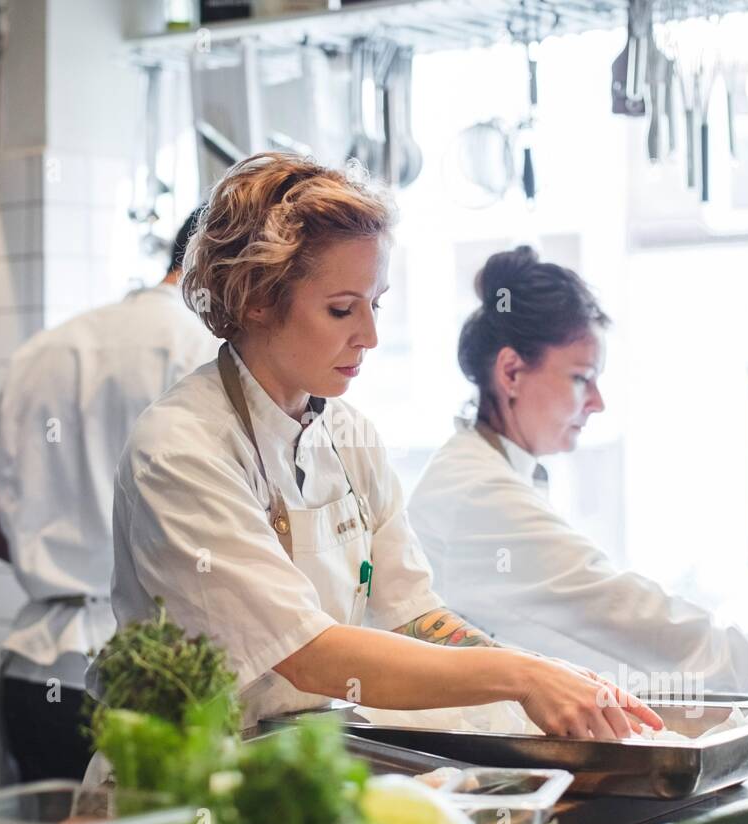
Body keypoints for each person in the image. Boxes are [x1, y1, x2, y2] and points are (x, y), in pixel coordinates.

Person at [99, 153, 663, 744]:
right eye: (342, 309)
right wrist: (520, 676)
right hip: (187, 784)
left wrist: (542, 675)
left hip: (307, 762)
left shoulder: (350, 435)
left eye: (376, 304)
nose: (369, 336)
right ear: (257, 299)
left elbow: (413, 614)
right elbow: (308, 653)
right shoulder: (181, 449)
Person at [407, 246, 748, 769]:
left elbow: (583, 641)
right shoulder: (475, 495)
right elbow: (626, 612)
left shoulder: (494, 476)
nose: (597, 401)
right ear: (511, 372)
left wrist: (738, 721)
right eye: (580, 377)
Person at [0, 207, 218, 783]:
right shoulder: (207, 351)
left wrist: (59, 560)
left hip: (32, 671)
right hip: (144, 680)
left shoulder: (42, 350)